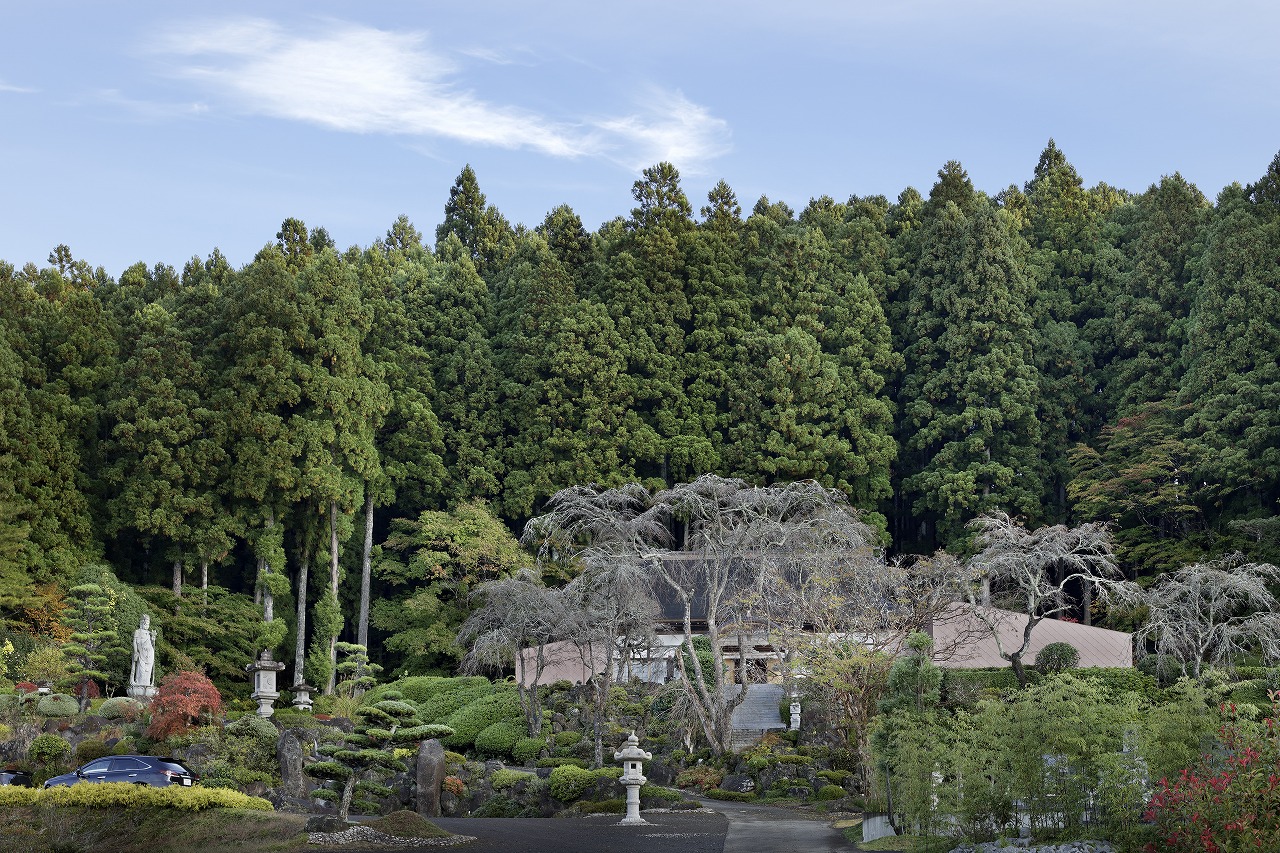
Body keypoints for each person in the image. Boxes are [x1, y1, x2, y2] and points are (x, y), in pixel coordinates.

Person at [131, 614, 156, 688]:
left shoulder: (149, 633)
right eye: (145, 623)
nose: (146, 625)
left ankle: (147, 684)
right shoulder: (137, 631)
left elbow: (152, 643)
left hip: (150, 653)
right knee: (141, 670)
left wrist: (153, 638)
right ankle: (139, 684)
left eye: (148, 624)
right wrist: (136, 651)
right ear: (141, 623)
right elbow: (135, 642)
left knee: (148, 671)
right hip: (141, 652)